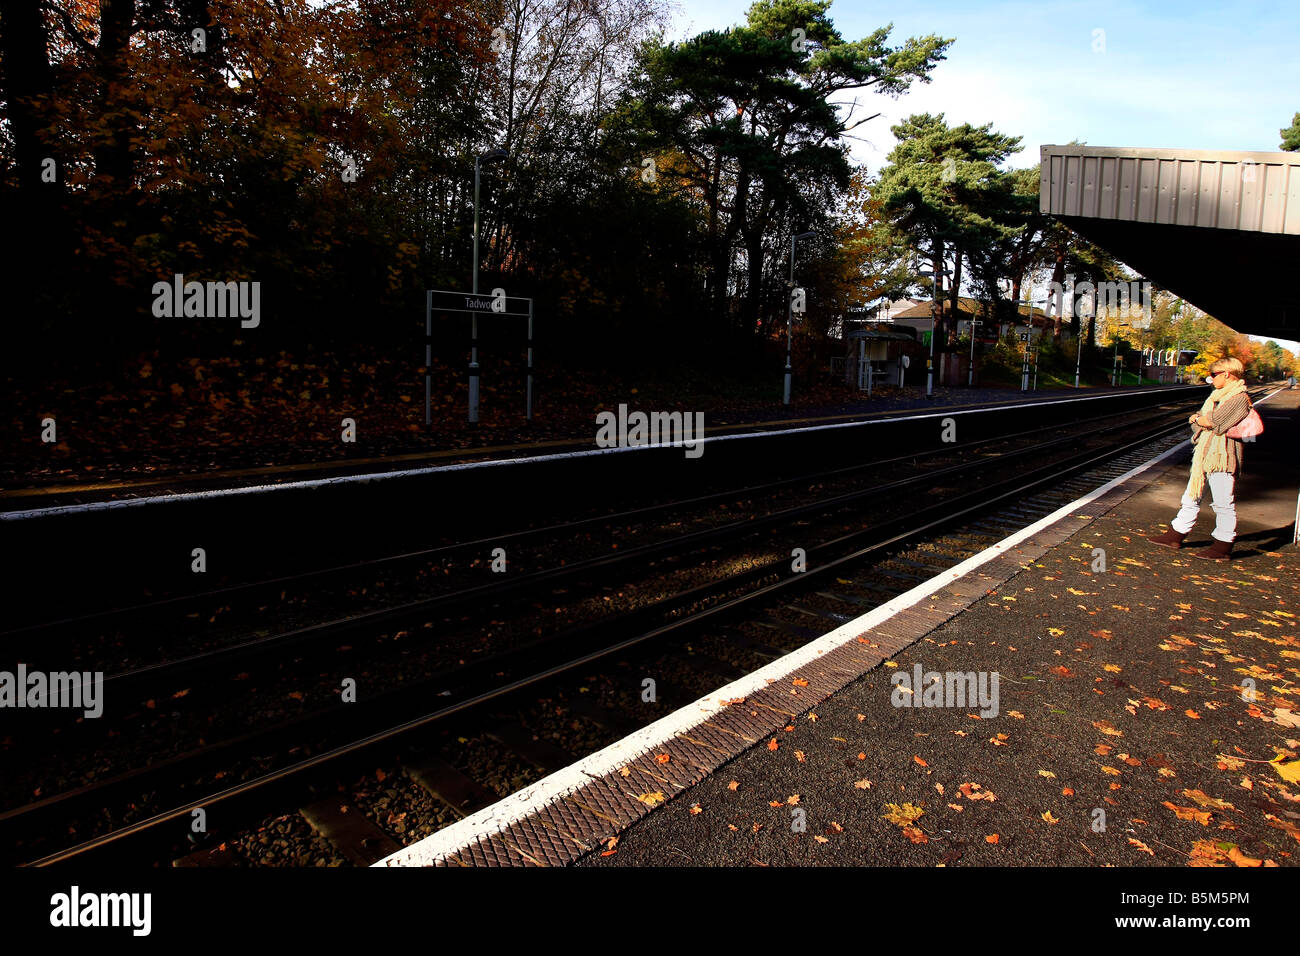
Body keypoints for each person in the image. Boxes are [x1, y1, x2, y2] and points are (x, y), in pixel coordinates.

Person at [1147, 357, 1252, 560]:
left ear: (1226, 374)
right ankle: (1176, 534)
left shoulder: (1238, 398)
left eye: (1214, 374)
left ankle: (1223, 545)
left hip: (1223, 455)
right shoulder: (1216, 396)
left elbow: (1214, 421)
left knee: (1223, 502)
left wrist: (1200, 419)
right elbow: (1199, 423)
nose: (1210, 378)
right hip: (1205, 453)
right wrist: (1200, 420)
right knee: (1191, 496)